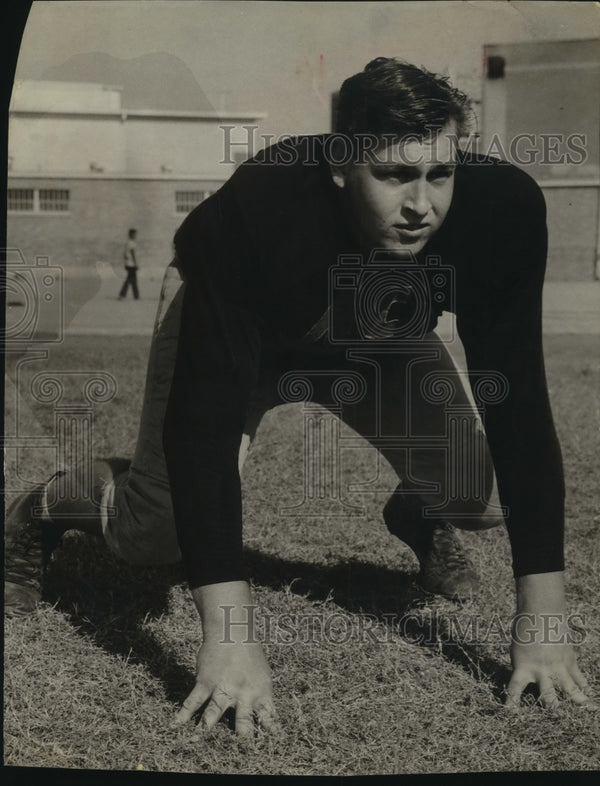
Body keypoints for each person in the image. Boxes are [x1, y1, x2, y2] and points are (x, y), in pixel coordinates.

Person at [5, 58, 590, 736]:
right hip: (245, 349)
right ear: (340, 165)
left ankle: (421, 510)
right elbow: (203, 431)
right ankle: (44, 506)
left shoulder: (503, 212)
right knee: (152, 536)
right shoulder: (259, 209)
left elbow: (518, 410)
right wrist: (228, 637)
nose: (421, 204)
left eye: (438, 173)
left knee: (483, 497)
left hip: (378, 340)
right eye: (394, 175)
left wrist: (544, 624)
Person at [118, 227, 140, 300]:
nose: (135, 236)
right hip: (131, 264)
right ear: (131, 234)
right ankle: (122, 294)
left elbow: (124, 254)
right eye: (134, 234)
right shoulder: (131, 243)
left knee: (133, 280)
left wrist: (126, 261)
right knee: (130, 280)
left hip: (128, 264)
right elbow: (133, 254)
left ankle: (136, 296)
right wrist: (136, 263)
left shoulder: (127, 243)